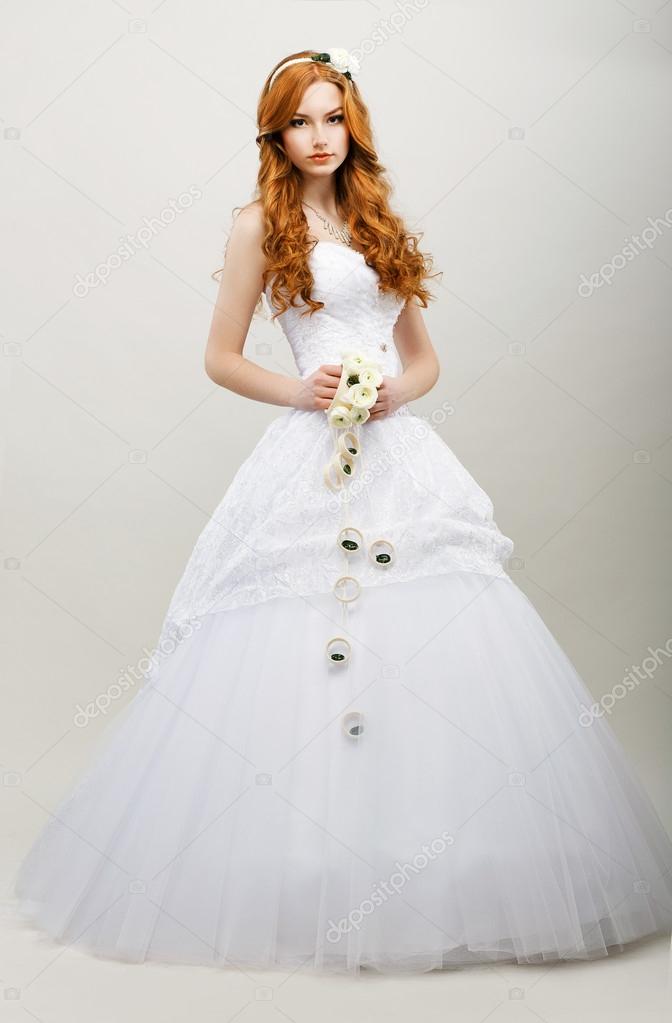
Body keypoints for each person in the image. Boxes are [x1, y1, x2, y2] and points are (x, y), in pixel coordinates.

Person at [10, 48, 672, 977]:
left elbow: (428, 357)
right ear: (274, 133)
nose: (318, 137)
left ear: (350, 125)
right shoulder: (255, 226)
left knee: (439, 638)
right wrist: (305, 391)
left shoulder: (376, 219)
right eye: (299, 122)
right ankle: (309, 863)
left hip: (396, 451)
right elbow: (219, 355)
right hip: (310, 447)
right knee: (292, 640)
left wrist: (396, 391)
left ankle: (433, 860)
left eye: (331, 118)